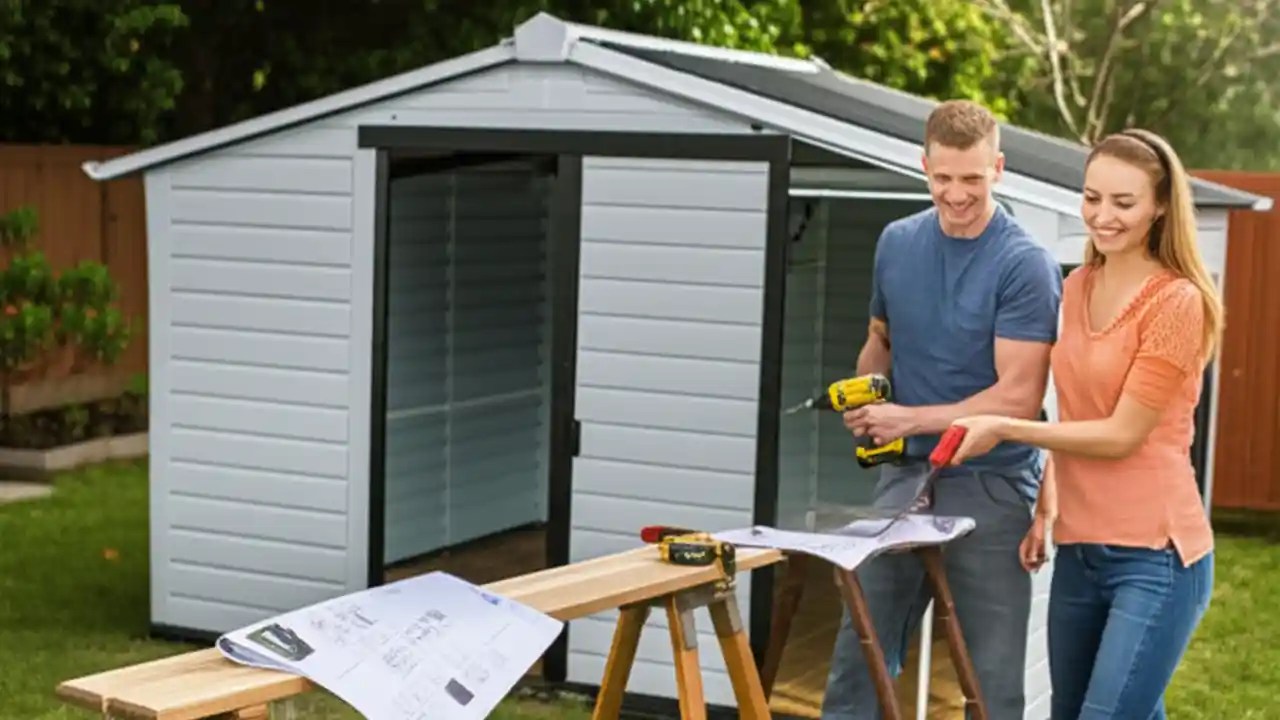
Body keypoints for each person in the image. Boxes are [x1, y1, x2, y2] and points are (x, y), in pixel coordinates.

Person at [945, 128, 1219, 720]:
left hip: (1157, 555)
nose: (1102, 216)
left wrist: (1005, 428)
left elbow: (1120, 434)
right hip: (1080, 550)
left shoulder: (1177, 302)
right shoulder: (1076, 286)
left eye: (1124, 203)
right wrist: (1048, 508)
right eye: (1093, 197)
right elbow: (1072, 411)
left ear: (1160, 206)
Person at [820, 100, 1063, 720]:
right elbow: (882, 337)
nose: (957, 195)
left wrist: (908, 418)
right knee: (861, 657)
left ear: (999, 169)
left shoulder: (1023, 264)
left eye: (973, 180)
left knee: (990, 680)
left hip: (992, 484)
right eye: (944, 178)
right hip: (905, 479)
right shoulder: (896, 243)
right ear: (924, 167)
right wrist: (870, 390)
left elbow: (1018, 396)